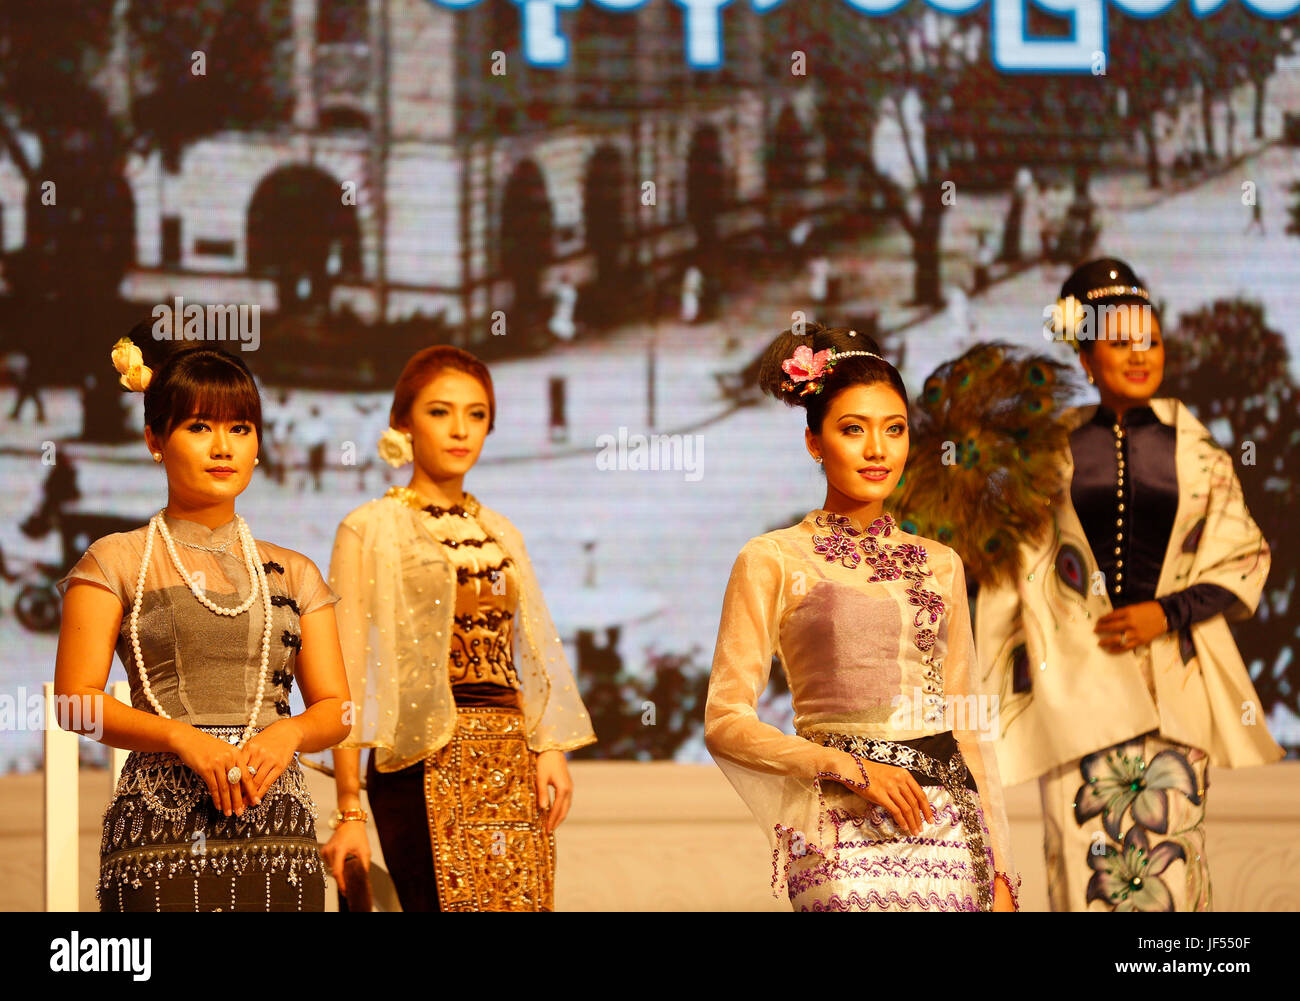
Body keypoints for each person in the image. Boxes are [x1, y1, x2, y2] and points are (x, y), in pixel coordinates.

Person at [977, 258, 1282, 911]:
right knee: (1078, 857)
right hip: (1074, 691)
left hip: (1172, 685)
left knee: (1173, 865)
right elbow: (1014, 571)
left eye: (1151, 340)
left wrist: (1167, 613)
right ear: (1085, 359)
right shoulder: (1046, 453)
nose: (1141, 356)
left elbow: (1245, 556)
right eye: (1120, 343)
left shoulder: (1198, 453)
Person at [704, 322, 1019, 912]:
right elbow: (724, 721)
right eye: (853, 430)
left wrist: (999, 869)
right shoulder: (771, 558)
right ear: (814, 442)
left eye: (894, 430)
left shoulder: (940, 563)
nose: (878, 450)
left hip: (952, 830)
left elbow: (966, 724)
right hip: (839, 830)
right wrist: (849, 767)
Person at [53, 337, 351, 911]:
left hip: (278, 835)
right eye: (198, 427)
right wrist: (179, 737)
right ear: (154, 440)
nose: (223, 447)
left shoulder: (297, 572)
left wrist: (288, 733)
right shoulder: (114, 560)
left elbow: (337, 710)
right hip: (156, 836)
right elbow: (73, 704)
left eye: (240, 428)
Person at [319, 345, 596, 911]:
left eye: (476, 414)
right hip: (418, 761)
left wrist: (549, 748)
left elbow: (532, 648)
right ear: (403, 422)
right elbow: (343, 672)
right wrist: (349, 809)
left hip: (511, 762)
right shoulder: (370, 528)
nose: (460, 430)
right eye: (440, 412)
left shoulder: (500, 531)